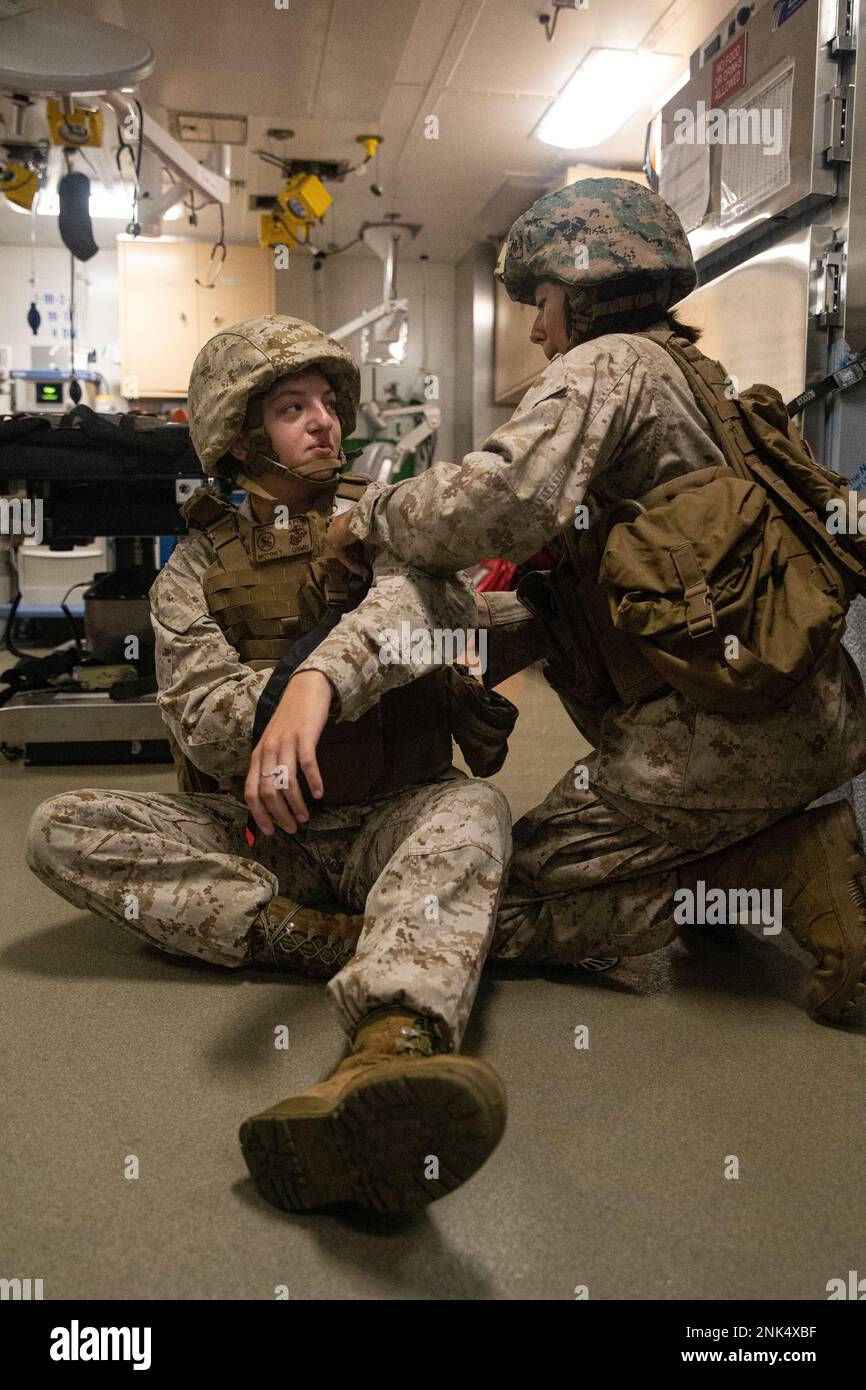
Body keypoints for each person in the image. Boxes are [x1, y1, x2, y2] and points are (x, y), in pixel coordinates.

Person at [250, 179, 866, 1024]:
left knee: (494, 898)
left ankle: (776, 868)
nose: (536, 329)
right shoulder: (700, 379)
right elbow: (589, 609)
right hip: (802, 705)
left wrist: (375, 517)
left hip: (714, 740)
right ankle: (754, 870)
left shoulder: (605, 363)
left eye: (541, 302)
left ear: (584, 291)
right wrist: (441, 657)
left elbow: (498, 504)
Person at [25, 315, 516, 1215]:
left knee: (475, 811)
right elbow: (208, 724)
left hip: (391, 812)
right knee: (58, 828)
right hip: (266, 836)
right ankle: (300, 934)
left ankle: (390, 1041)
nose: (325, 423)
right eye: (295, 408)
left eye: (329, 404)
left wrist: (344, 668)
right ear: (243, 437)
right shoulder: (193, 572)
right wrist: (292, 691)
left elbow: (445, 618)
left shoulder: (389, 519)